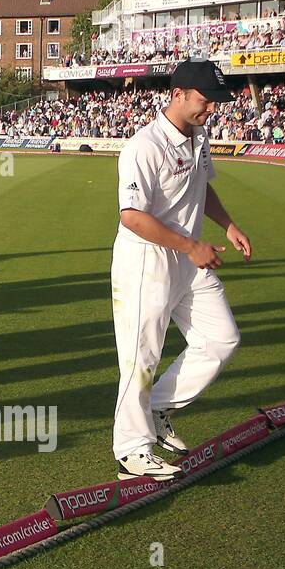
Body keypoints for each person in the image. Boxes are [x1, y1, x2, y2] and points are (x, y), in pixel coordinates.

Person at [112, 60, 249, 481]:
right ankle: (131, 450)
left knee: (221, 338)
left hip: (189, 259)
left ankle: (156, 409)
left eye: (214, 103)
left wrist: (228, 224)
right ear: (178, 94)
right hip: (146, 261)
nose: (211, 110)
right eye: (206, 101)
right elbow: (131, 216)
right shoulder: (144, 146)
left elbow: (201, 186)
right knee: (141, 356)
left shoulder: (198, 136)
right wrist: (192, 246)